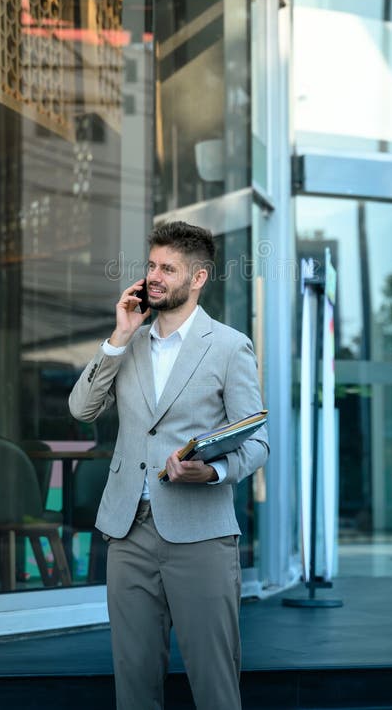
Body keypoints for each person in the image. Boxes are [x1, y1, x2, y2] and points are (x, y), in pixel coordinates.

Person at [69, 221, 269, 710]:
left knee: (215, 684)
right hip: (128, 532)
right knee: (134, 686)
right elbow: (81, 409)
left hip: (201, 535)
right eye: (151, 266)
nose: (154, 277)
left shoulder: (229, 346)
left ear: (197, 278)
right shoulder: (129, 343)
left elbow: (257, 442)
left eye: (168, 269)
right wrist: (119, 336)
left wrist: (213, 472)